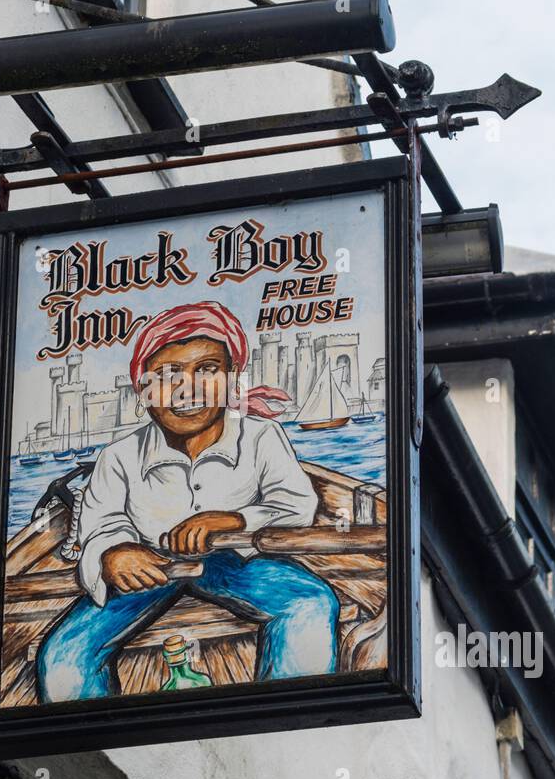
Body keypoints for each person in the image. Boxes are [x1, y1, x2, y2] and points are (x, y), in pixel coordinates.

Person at [36, 301, 341, 702]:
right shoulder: (119, 456)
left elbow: (297, 505)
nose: (187, 389)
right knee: (64, 653)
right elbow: (102, 524)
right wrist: (114, 554)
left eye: (208, 370)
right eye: (167, 375)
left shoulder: (261, 437)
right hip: (149, 573)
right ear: (143, 390)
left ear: (232, 381)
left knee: (311, 603)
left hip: (239, 565)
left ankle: (294, 714)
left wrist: (233, 521)